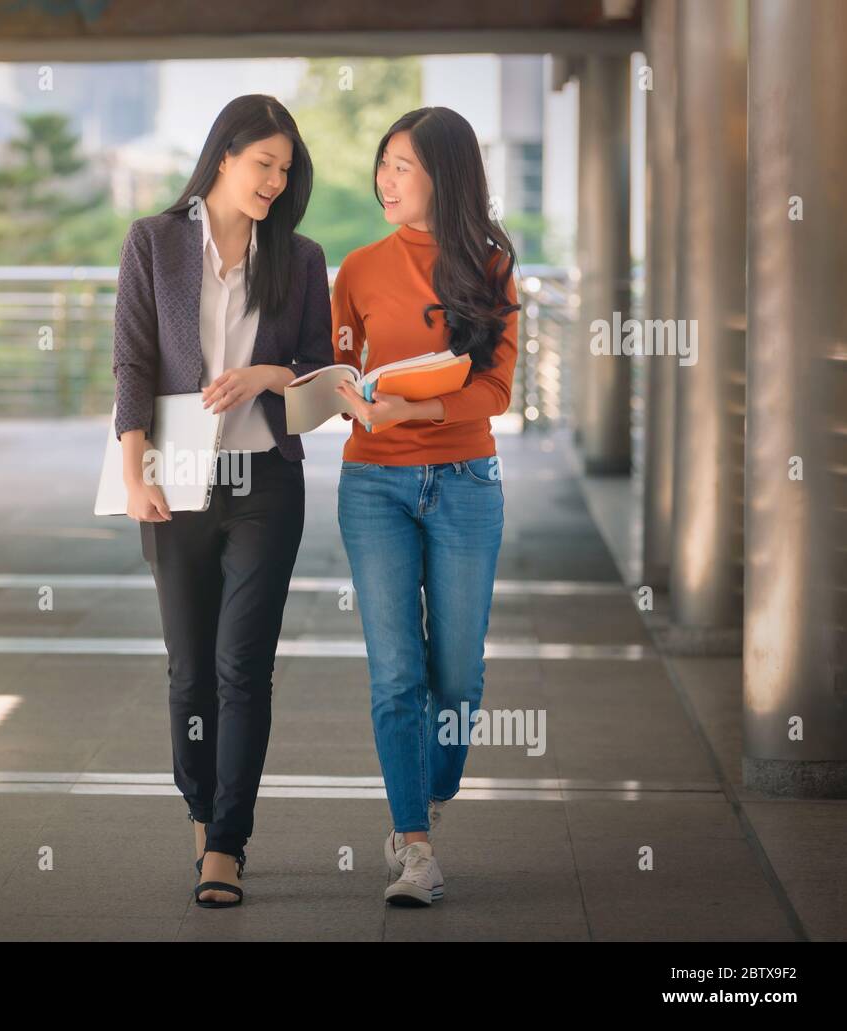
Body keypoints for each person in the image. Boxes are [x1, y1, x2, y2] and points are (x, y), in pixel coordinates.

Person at [110, 95, 334, 908]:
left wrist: (267, 376)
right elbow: (132, 363)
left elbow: (321, 379)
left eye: (285, 169)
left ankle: (227, 843)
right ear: (223, 157)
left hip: (265, 482)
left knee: (244, 665)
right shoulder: (155, 243)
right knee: (189, 671)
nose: (274, 181)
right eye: (262, 164)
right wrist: (134, 474)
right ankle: (200, 809)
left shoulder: (300, 258)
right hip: (177, 479)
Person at [331, 107, 521, 907]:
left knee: (459, 675)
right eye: (383, 163)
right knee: (397, 672)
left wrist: (417, 410)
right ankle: (416, 842)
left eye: (403, 165)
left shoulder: (490, 263)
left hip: (467, 481)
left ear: (445, 174)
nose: (386, 178)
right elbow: (337, 369)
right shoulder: (357, 268)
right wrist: (350, 394)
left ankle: (429, 785)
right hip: (373, 483)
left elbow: (496, 388)